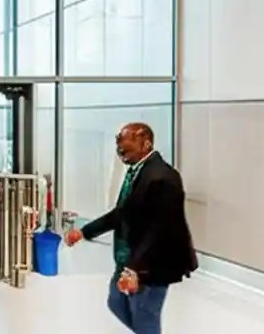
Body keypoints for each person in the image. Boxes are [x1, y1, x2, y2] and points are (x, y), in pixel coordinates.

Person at [64, 123, 197, 334]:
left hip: (152, 263)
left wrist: (135, 269)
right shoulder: (138, 172)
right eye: (119, 146)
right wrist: (84, 231)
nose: (121, 151)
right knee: (116, 302)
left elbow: (159, 230)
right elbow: (122, 213)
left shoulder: (163, 178)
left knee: (145, 316)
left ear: (146, 143)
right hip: (128, 257)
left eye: (126, 145)